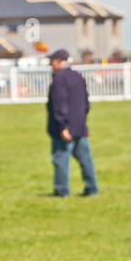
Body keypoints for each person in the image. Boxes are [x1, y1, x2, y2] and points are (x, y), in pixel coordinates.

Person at [45, 49, 98, 197]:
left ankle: (61, 190)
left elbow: (59, 104)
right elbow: (86, 104)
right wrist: (81, 122)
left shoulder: (59, 79)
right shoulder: (78, 77)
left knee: (60, 159)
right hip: (80, 126)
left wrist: (63, 126)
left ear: (57, 61)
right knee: (85, 159)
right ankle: (92, 188)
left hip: (65, 128)